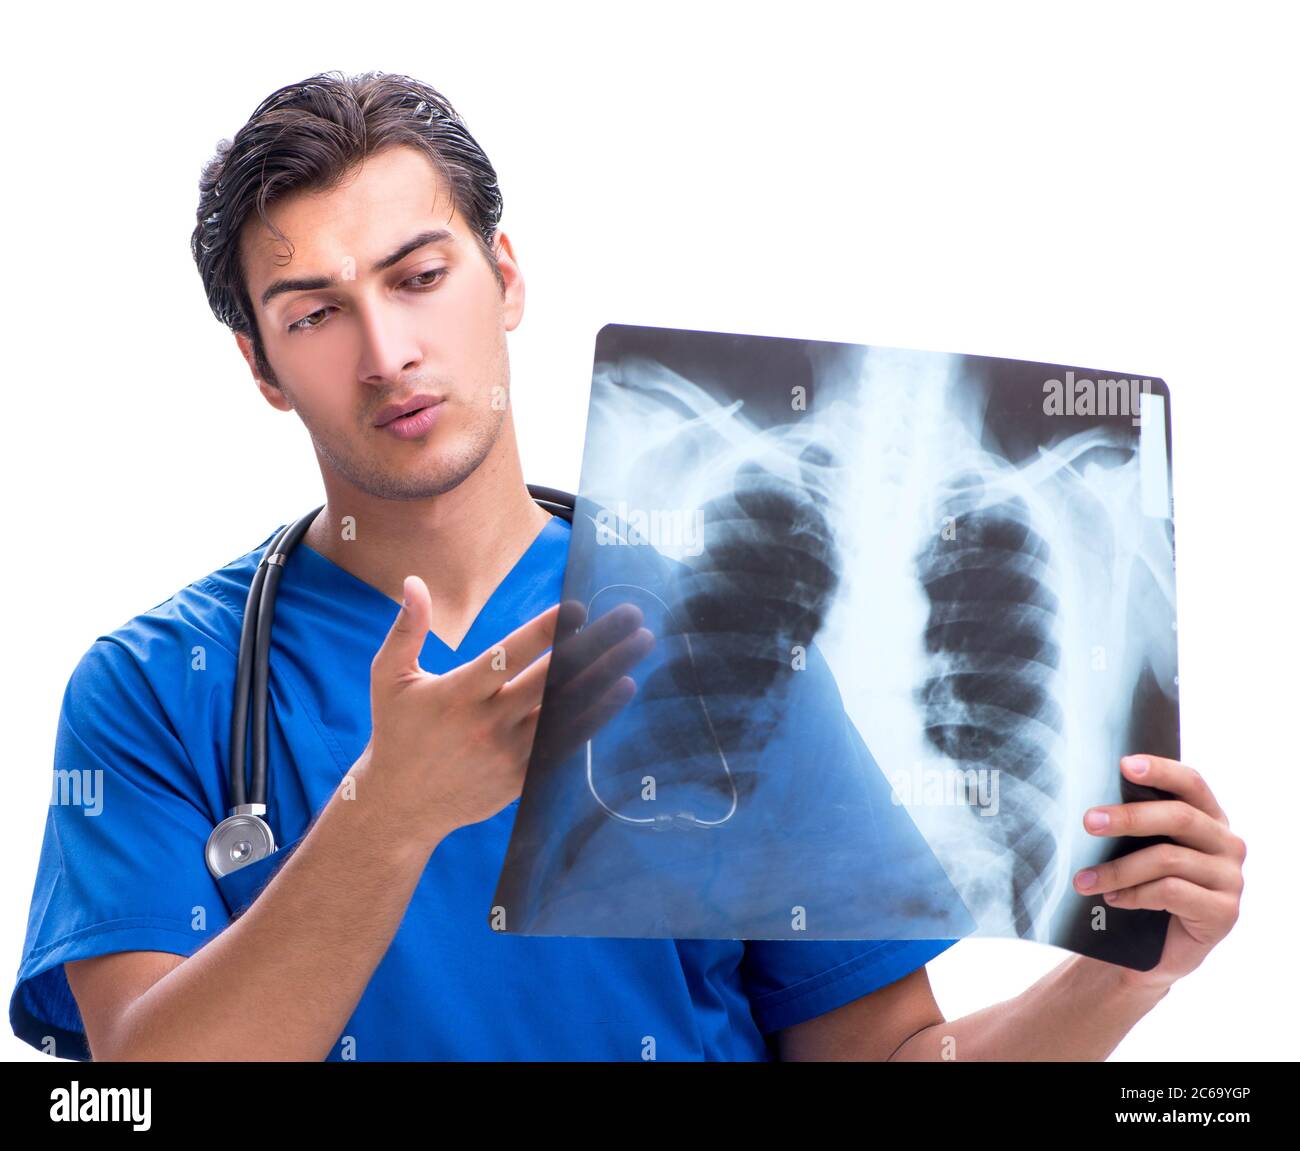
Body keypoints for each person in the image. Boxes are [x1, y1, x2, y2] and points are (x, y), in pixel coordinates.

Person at [9, 71, 1245, 1062]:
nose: (387, 351)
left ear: (505, 279)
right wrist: (382, 821)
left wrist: (1119, 979)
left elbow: (887, 1056)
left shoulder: (728, 636)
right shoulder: (150, 688)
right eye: (315, 312)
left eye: (419, 276)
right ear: (261, 367)